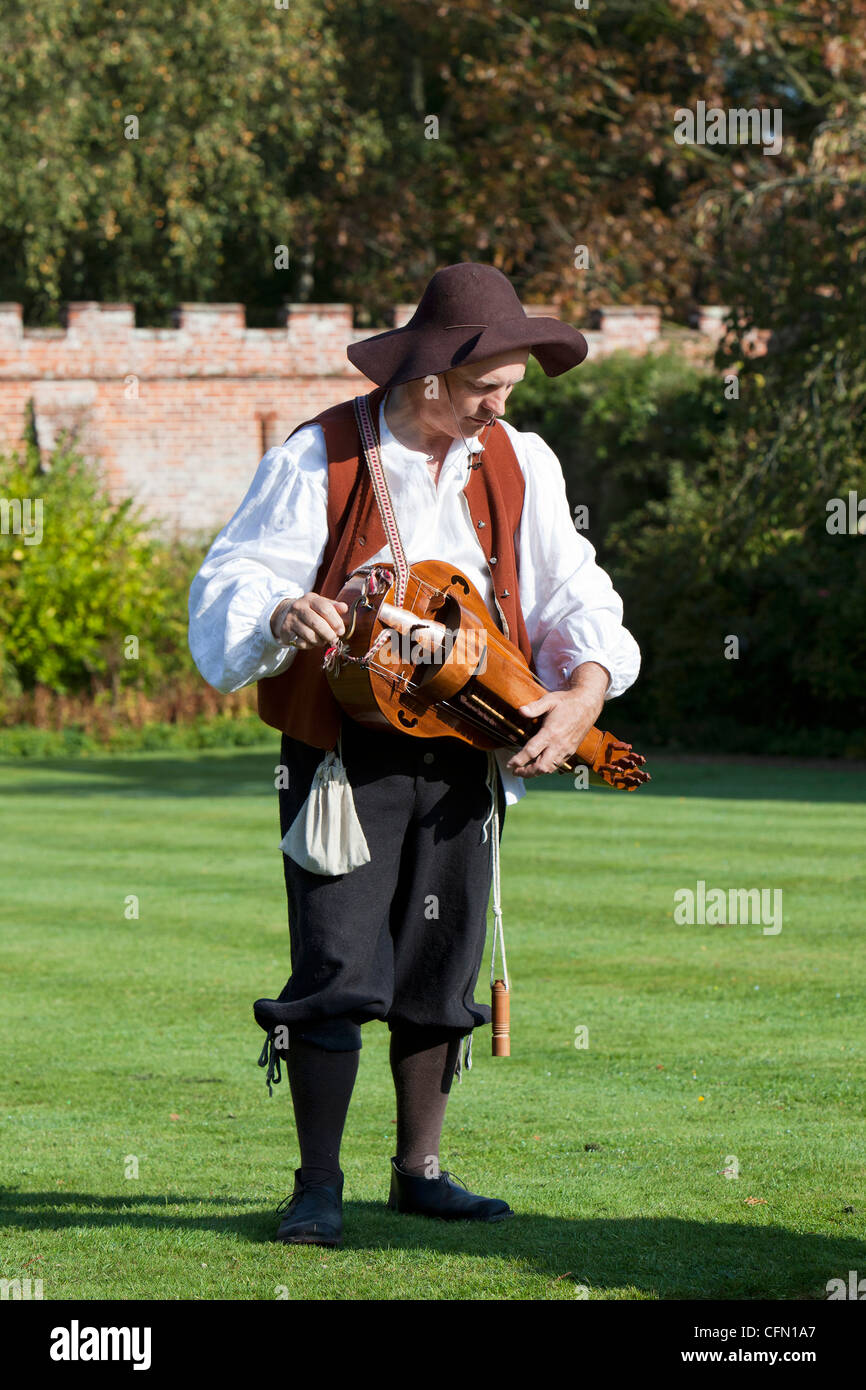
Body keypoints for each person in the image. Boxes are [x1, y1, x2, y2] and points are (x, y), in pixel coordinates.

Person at [188, 262, 641, 1248]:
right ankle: (316, 1185)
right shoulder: (322, 457)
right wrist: (281, 607)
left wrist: (583, 693)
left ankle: (420, 1173)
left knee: (441, 964)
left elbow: (572, 598)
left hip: (465, 759)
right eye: (487, 388)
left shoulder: (521, 462)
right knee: (337, 965)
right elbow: (230, 580)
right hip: (339, 761)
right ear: (431, 371)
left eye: (509, 392)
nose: (498, 408)